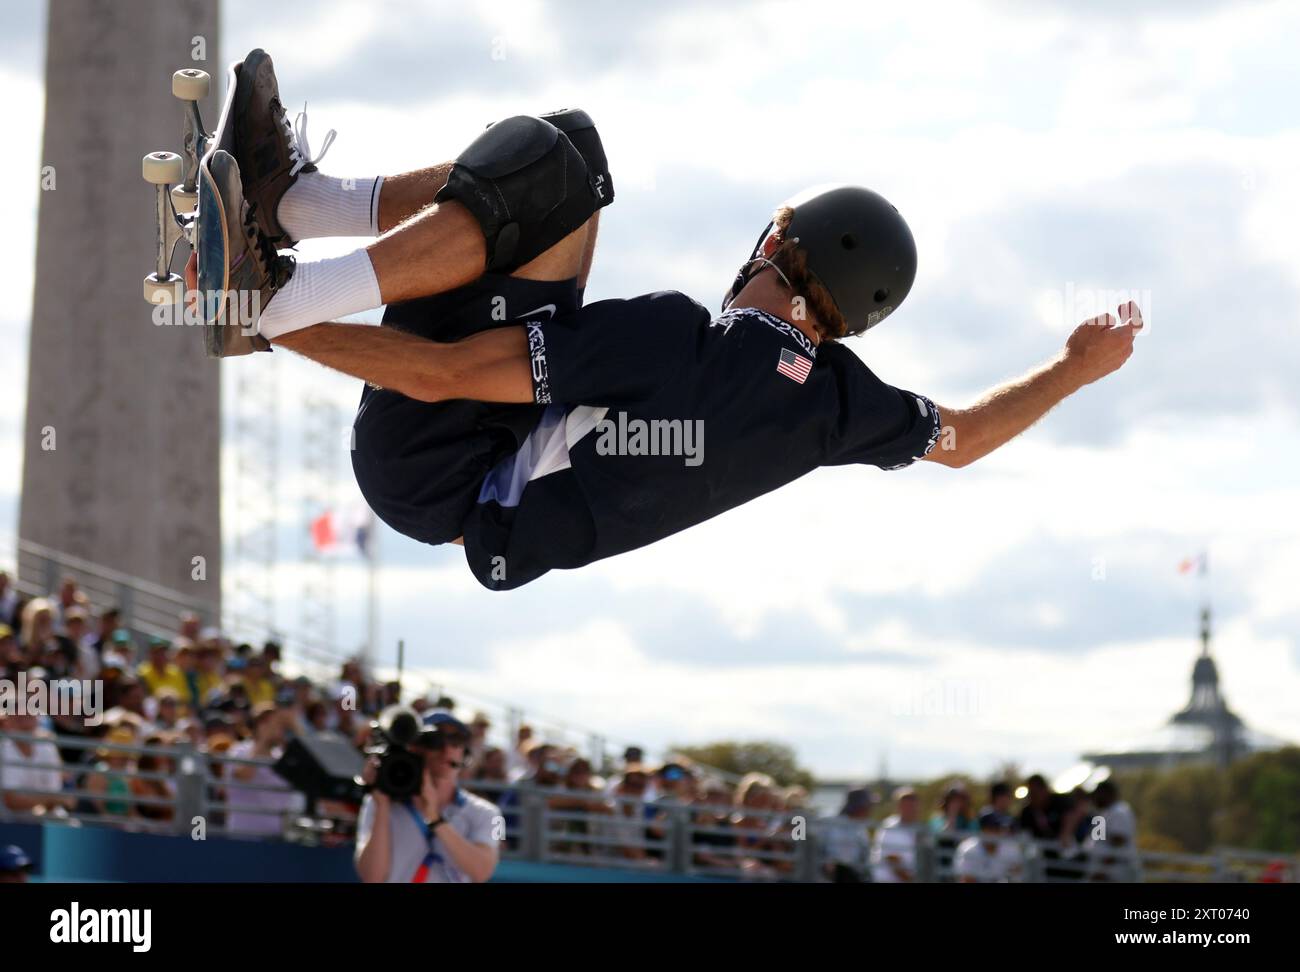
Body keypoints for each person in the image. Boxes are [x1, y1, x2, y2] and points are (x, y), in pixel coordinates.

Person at [194, 49, 1142, 592]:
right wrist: (1074, 368)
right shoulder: (835, 402)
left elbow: (440, 378)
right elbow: (966, 439)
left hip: (436, 475)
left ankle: (271, 290)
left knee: (544, 164)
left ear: (776, 248)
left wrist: (271, 322)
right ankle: (295, 203)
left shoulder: (673, 339)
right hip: (472, 484)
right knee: (572, 150)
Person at [354, 709, 501, 883]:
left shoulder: (487, 813)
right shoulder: (380, 802)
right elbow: (372, 877)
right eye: (435, 740)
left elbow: (482, 871)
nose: (446, 749)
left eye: (456, 741)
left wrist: (435, 819)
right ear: (415, 747)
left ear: (464, 752)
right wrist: (383, 806)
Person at [822, 787, 875, 882]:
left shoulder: (859, 826)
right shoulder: (834, 824)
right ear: (859, 807)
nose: (870, 809)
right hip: (838, 875)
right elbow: (841, 860)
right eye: (868, 805)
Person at [953, 810, 1023, 883]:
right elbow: (965, 879)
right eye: (991, 829)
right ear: (982, 829)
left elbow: (1017, 876)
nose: (995, 833)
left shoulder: (1011, 849)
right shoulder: (968, 849)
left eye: (998, 829)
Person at [872, 787, 921, 883]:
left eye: (913, 804)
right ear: (898, 806)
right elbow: (893, 861)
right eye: (906, 805)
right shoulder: (889, 827)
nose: (910, 808)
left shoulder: (919, 828)